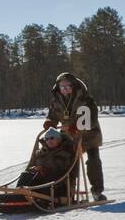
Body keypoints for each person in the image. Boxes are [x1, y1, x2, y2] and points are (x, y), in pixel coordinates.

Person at [43, 71, 105, 200]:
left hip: (89, 135)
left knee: (93, 161)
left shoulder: (85, 99)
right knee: (66, 162)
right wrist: (49, 123)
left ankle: (97, 191)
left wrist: (75, 127)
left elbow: (91, 120)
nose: (65, 89)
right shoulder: (56, 99)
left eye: (67, 86)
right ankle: (66, 192)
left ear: (74, 86)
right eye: (62, 87)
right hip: (68, 136)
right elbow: (53, 115)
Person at [16, 128, 76, 202]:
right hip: (41, 180)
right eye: (46, 139)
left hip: (59, 183)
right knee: (25, 175)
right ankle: (18, 195)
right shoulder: (40, 152)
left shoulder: (65, 153)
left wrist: (45, 170)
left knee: (51, 177)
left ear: (58, 139)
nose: (49, 141)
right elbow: (30, 167)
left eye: (52, 138)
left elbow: (64, 170)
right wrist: (34, 168)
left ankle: (39, 199)